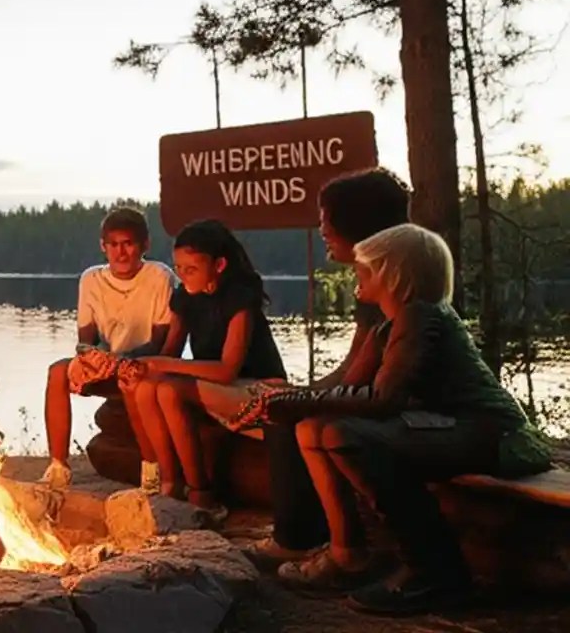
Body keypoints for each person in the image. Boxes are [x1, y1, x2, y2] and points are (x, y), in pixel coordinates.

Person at [228, 223, 552, 615]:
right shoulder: (390, 327)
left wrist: (298, 401)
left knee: (344, 436)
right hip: (449, 426)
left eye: (365, 269)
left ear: (394, 274)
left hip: (495, 434)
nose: (355, 275)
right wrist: (289, 399)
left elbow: (383, 400)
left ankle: (437, 573)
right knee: (315, 428)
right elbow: (350, 390)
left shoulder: (421, 317)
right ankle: (349, 553)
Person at [244, 167, 412, 571]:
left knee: (290, 419)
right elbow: (352, 366)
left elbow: (360, 378)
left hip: (399, 408)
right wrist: (296, 392)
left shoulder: (393, 283)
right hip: (377, 399)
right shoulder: (372, 280)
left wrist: (298, 400)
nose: (320, 227)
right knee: (286, 407)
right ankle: (313, 533)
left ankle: (298, 538)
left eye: (326, 216)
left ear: (357, 222)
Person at [120, 218, 286, 518]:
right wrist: (135, 365)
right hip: (213, 385)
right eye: (179, 268)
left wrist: (167, 365)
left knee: (170, 390)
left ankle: (201, 493)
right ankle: (169, 483)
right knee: (145, 387)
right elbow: (169, 351)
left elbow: (227, 370)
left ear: (219, 265)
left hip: (258, 386)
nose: (183, 276)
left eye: (191, 269)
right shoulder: (185, 296)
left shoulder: (240, 298)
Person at [40, 205, 177, 490]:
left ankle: (150, 470)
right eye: (113, 245)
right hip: (106, 362)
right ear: (103, 247)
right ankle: (58, 468)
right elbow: (86, 338)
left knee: (130, 379)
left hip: (144, 363)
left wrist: (121, 361)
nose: (121, 252)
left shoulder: (159, 276)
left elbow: (160, 341)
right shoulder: (91, 279)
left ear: (144, 245)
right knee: (57, 372)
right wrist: (88, 358)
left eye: (128, 244)